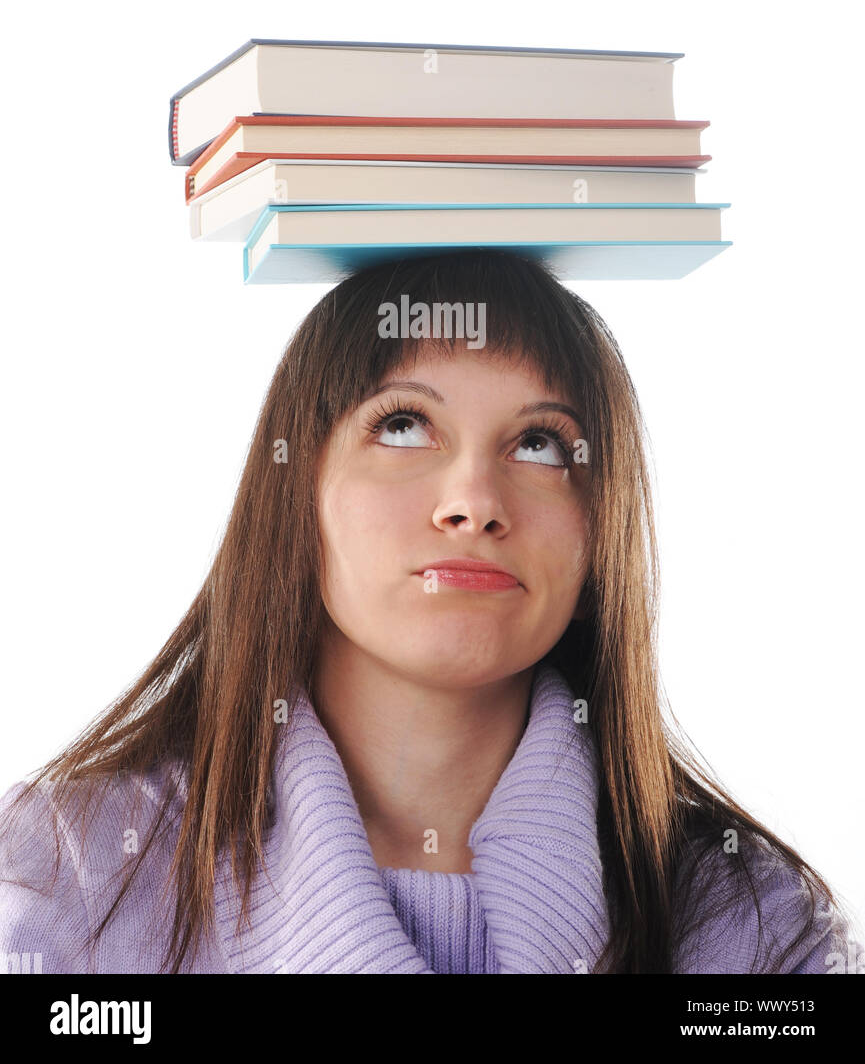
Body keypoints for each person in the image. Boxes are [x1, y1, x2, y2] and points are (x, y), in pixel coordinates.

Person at [0, 250, 858, 975]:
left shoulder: (757, 928)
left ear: (602, 527)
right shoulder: (66, 875)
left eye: (539, 444)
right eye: (404, 425)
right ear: (295, 491)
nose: (473, 503)